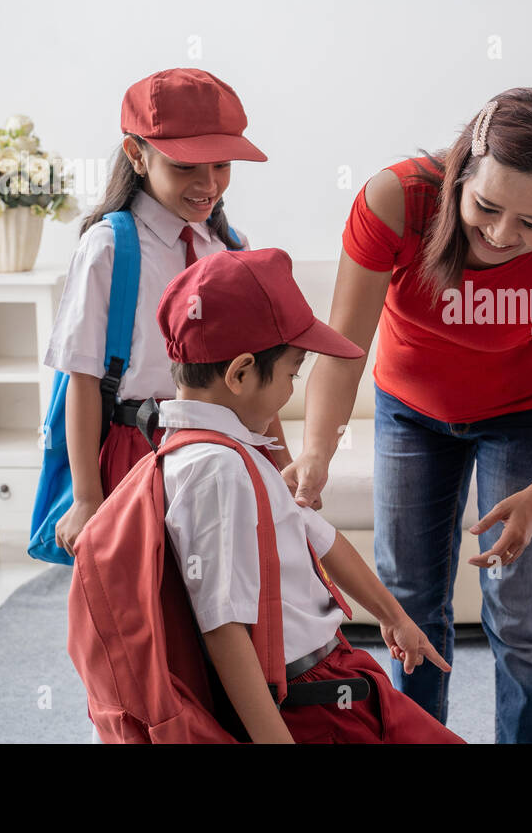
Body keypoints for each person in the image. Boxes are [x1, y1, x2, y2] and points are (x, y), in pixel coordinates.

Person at [284, 88, 532, 743]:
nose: (501, 235)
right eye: (487, 208)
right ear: (462, 169)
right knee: (408, 599)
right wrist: (319, 450)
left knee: (522, 613)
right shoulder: (397, 201)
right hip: (411, 411)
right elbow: (344, 347)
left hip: (529, 416)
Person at [156, 246, 464, 743]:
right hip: (306, 700)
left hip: (335, 671)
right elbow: (223, 629)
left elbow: (320, 537)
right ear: (240, 373)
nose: (291, 390)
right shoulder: (214, 470)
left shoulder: (236, 450)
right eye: (292, 373)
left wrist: (396, 618)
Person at [45, 67, 284, 557]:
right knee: (147, 609)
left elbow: (256, 373)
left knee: (223, 606)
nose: (209, 183)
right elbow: (83, 379)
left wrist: (281, 471)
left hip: (224, 449)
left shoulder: (230, 247)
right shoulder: (110, 247)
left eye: (222, 165)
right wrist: (89, 497)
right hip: (139, 451)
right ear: (137, 155)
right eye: (185, 167)